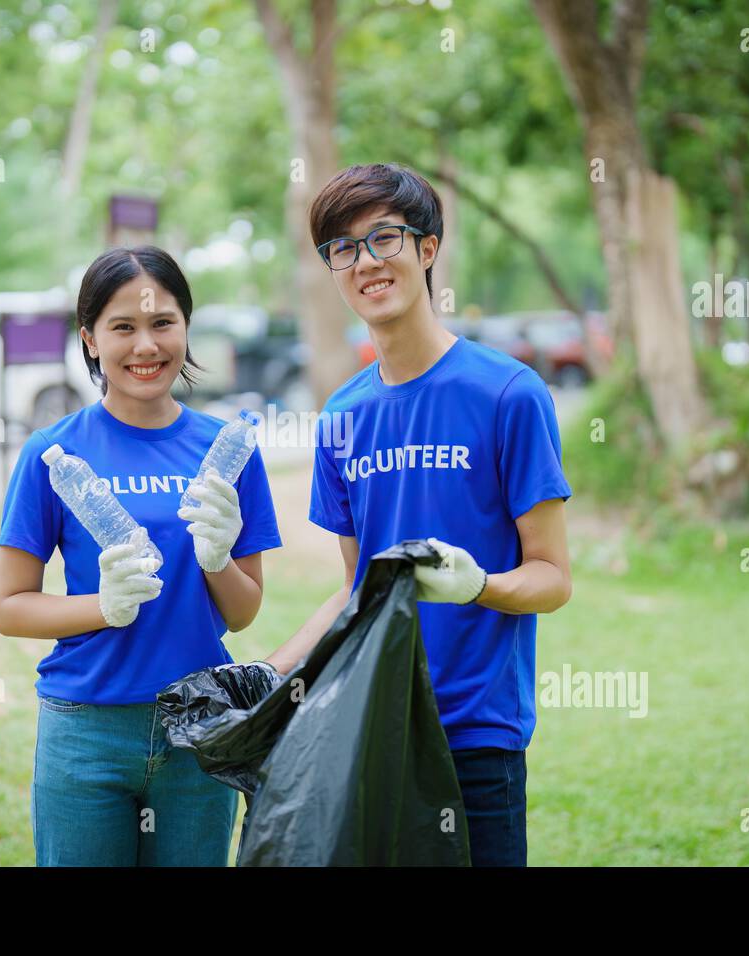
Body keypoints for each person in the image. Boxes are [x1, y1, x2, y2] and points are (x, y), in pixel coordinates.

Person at [265, 163, 573, 867]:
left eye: (383, 239)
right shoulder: (341, 417)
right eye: (342, 248)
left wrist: (480, 586)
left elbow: (552, 577)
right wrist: (270, 674)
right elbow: (355, 591)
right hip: (370, 728)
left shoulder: (509, 395)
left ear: (428, 249)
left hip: (475, 739)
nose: (364, 262)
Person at [0, 246, 282, 866]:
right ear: (90, 339)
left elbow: (243, 611)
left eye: (162, 323)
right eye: (122, 327)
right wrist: (103, 606)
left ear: (186, 328)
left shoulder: (227, 452)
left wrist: (216, 559)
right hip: (85, 731)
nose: (145, 345)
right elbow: (9, 607)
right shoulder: (53, 454)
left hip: (199, 726)